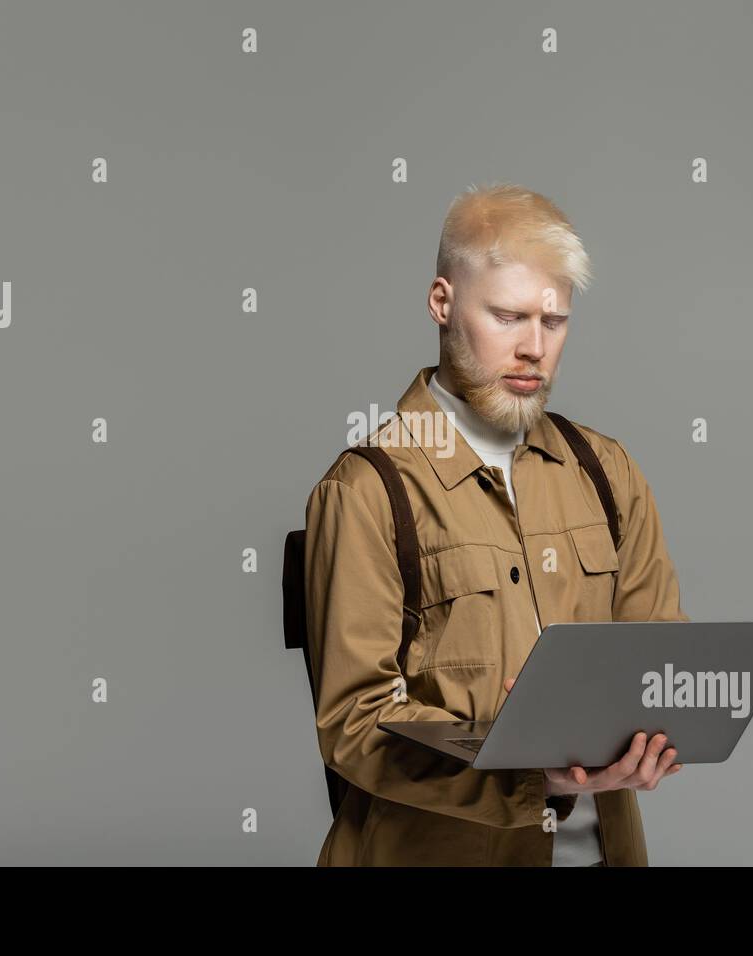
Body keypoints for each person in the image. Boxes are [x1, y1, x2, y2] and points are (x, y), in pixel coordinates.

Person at [304, 182, 690, 866]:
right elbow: (355, 728)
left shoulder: (608, 471)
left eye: (555, 321)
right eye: (508, 317)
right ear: (442, 303)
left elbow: (659, 661)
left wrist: (656, 732)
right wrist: (524, 775)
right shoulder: (365, 491)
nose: (535, 348)